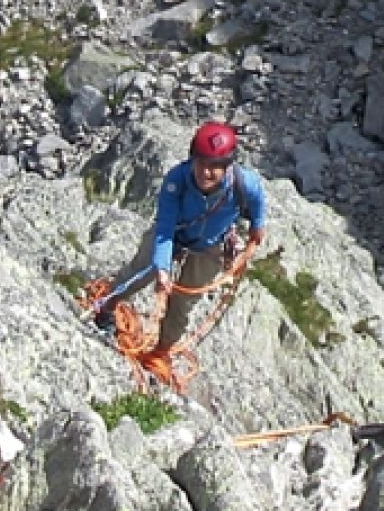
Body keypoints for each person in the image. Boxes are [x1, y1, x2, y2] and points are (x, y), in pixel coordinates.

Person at [91, 121, 267, 358]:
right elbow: (165, 227)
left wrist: (257, 228)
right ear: (193, 158)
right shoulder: (177, 180)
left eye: (215, 166)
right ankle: (108, 305)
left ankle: (161, 352)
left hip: (210, 244)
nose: (206, 172)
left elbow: (257, 204)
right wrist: (162, 267)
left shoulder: (245, 184)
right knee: (142, 271)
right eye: (202, 163)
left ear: (228, 165)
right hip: (175, 233)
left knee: (183, 303)